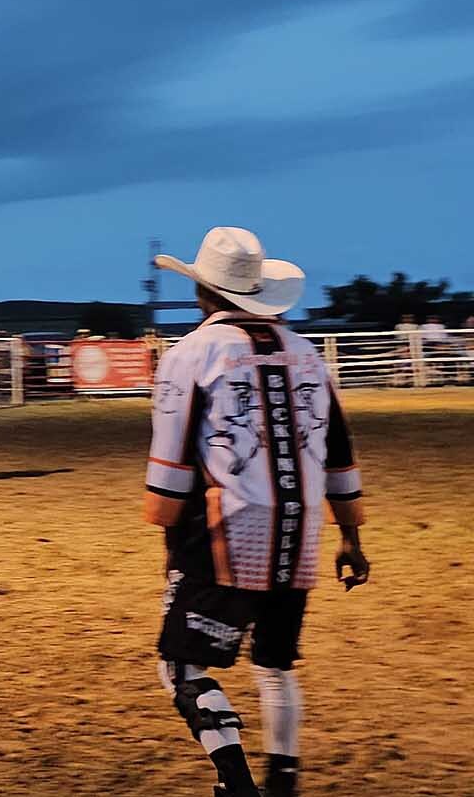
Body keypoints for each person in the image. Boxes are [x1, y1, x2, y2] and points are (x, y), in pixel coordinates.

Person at [146, 228, 370, 797]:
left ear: (203, 293)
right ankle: (283, 782)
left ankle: (237, 783)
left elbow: (169, 481)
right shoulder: (307, 354)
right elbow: (340, 453)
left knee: (180, 666)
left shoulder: (190, 354)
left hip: (222, 534)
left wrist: (172, 547)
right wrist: (350, 539)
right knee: (275, 664)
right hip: (299, 532)